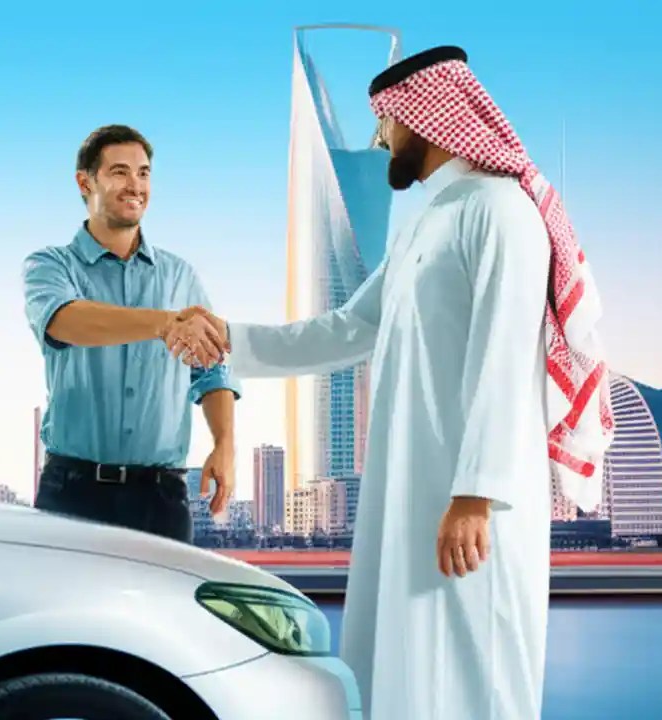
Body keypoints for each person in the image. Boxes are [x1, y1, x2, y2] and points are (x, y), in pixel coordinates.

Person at [172, 47, 614, 719]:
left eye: (387, 123)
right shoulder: (427, 222)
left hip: (472, 502)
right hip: (410, 487)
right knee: (405, 665)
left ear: (429, 118)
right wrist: (229, 337)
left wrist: (475, 494)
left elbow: (504, 357)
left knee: (476, 663)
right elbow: (346, 329)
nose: (381, 139)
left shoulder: (500, 213)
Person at [21, 124, 241, 543]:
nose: (134, 185)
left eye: (143, 173)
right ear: (85, 182)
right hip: (72, 492)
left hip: (162, 498)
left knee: (163, 611)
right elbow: (66, 321)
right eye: (119, 172)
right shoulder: (50, 266)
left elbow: (213, 368)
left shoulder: (181, 276)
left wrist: (225, 444)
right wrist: (163, 323)